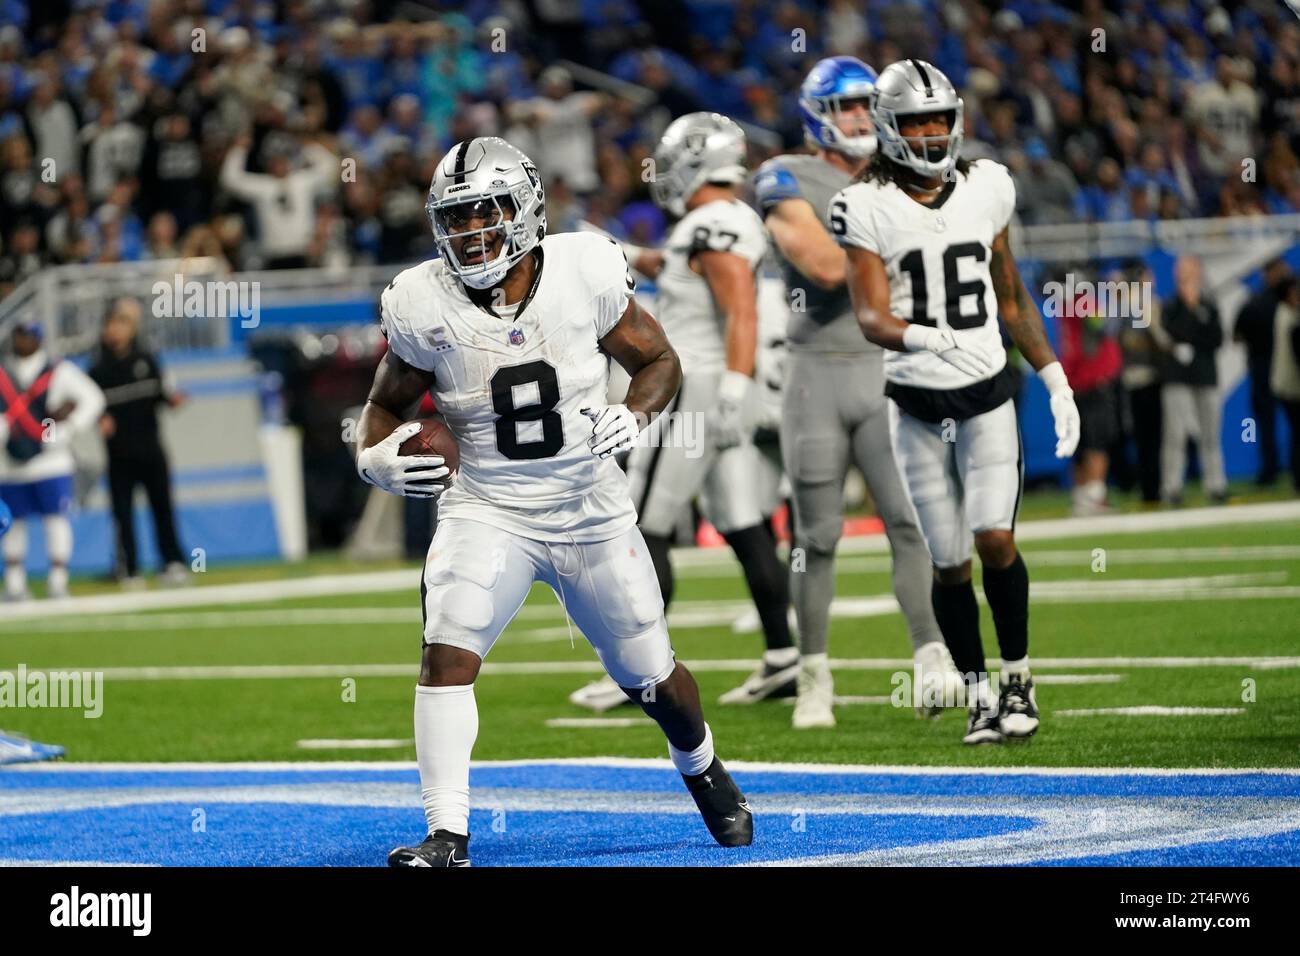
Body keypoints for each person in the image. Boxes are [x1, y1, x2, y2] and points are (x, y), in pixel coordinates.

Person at [358, 136, 751, 867]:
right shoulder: (421, 301)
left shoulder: (584, 269)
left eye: (487, 213)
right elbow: (383, 406)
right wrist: (374, 457)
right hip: (487, 505)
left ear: (527, 208)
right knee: (447, 650)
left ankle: (702, 767)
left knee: (651, 677)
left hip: (586, 504)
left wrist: (633, 413)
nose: (472, 232)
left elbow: (660, 360)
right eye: (457, 218)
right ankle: (448, 836)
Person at [834, 59, 1081, 745]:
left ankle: (1019, 679)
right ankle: (978, 696)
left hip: (989, 396)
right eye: (917, 121)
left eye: (941, 118)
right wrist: (932, 338)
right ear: (890, 128)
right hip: (915, 402)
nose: (933, 132)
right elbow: (871, 318)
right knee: (948, 560)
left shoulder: (988, 185)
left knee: (995, 537)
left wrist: (1056, 376)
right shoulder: (863, 204)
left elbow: (1010, 297)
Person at [752, 56, 958, 728]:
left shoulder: (904, 173)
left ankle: (933, 654)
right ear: (818, 115)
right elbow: (822, 263)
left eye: (867, 105)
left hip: (886, 371)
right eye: (845, 107)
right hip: (816, 373)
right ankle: (814, 672)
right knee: (816, 534)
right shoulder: (785, 176)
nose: (860, 119)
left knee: (911, 519)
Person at [568, 112, 796, 712]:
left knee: (641, 527)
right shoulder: (716, 222)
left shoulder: (711, 224)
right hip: (719, 390)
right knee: (742, 522)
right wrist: (619, 250)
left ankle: (639, 671)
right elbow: (678, 270)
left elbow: (739, 309)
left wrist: (732, 389)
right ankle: (782, 657)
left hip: (693, 389)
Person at [0, 320, 105, 600]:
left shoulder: (59, 370)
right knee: (12, 523)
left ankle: (58, 581)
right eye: (19, 334)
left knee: (56, 519)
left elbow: (93, 399)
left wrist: (68, 428)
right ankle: (14, 584)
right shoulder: (2, 371)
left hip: (50, 459)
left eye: (27, 334)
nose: (22, 340)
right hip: (10, 462)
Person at [88, 297, 189, 588]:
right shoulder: (98, 370)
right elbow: (87, 406)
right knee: (123, 514)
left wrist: (174, 400)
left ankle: (172, 562)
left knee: (163, 507)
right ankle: (129, 568)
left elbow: (163, 394)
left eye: (122, 325)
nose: (116, 331)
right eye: (112, 326)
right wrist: (99, 418)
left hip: (151, 449)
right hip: (119, 454)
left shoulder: (146, 360)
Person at [1159, 256, 1226, 505]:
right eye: (1180, 272)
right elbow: (1171, 336)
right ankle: (1172, 488)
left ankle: (1216, 485)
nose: (1183, 276)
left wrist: (1195, 308)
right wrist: (1188, 309)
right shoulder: (1171, 306)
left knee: (1210, 434)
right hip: (1178, 379)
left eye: (1188, 271)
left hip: (1206, 376)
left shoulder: (1209, 304)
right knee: (1176, 435)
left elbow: (1217, 338)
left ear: (1197, 273)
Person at [1234, 258, 1290, 486]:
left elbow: (1236, 336)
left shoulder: (1257, 302)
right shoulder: (1268, 303)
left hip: (1270, 368)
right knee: (1266, 424)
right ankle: (1270, 470)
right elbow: (1237, 335)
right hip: (1271, 368)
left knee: (1268, 424)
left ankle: (1271, 471)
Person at [1270, 277, 1300, 492]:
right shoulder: (1289, 317)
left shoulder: (1283, 313)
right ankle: (1297, 478)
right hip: (1291, 386)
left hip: (1285, 383)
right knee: (1298, 433)